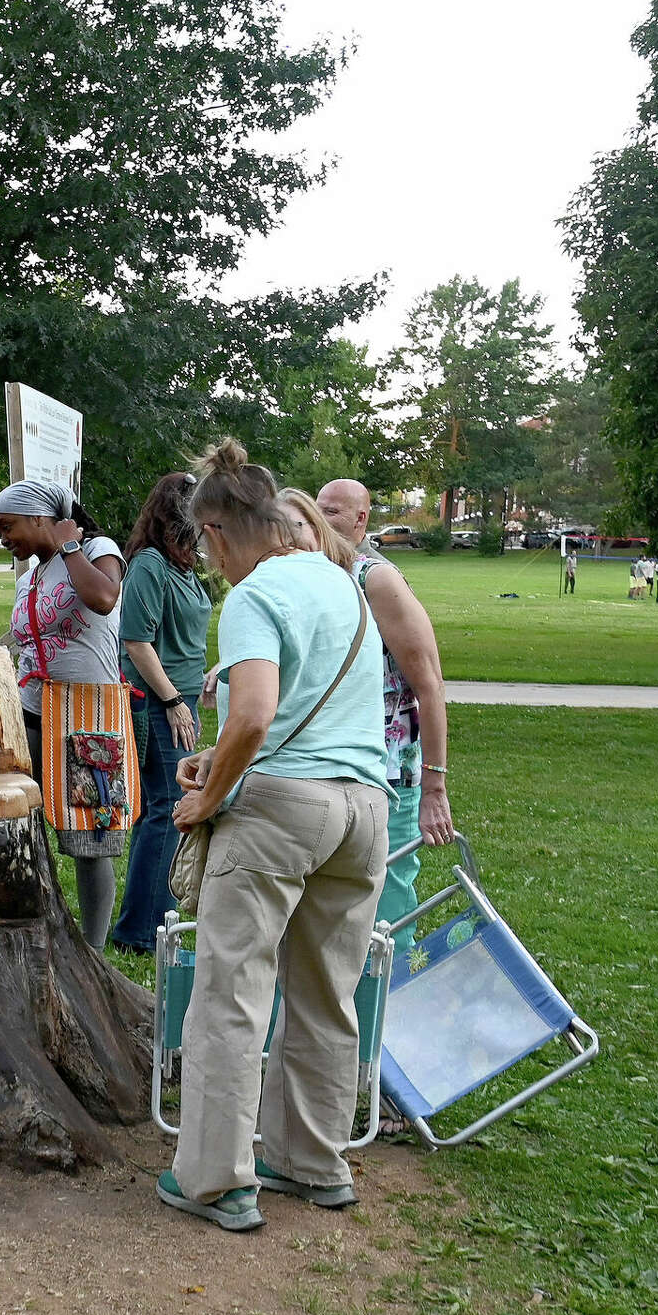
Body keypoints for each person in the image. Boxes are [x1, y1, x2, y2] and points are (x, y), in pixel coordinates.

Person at [156, 440, 390, 1234]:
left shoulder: (254, 596)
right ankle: (314, 1163)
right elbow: (291, 716)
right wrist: (214, 764)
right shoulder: (342, 581)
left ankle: (216, 1181)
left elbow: (253, 715)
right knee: (328, 995)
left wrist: (205, 798)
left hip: (282, 809)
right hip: (364, 810)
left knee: (231, 993)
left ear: (216, 533)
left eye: (204, 548)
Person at [317, 480, 456, 954]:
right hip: (330, 768)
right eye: (317, 510)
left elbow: (430, 684)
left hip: (389, 772)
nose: (322, 518)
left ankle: (383, 1014)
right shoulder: (317, 574)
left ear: (361, 520)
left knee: (386, 913)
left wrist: (434, 786)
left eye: (334, 511)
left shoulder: (375, 578)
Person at [0, 479, 128, 950]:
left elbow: (103, 599)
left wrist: (70, 546)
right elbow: (28, 639)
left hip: (86, 716)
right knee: (23, 827)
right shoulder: (30, 575)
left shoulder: (95, 549)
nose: (5, 539)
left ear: (39, 518)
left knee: (88, 837)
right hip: (31, 714)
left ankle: (92, 951)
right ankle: (40, 929)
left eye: (9, 527)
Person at [108, 472, 210, 955]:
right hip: (158, 705)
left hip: (182, 703)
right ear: (170, 524)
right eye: (191, 530)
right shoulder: (150, 564)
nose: (198, 542)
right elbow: (136, 641)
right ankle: (140, 932)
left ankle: (154, 923)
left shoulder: (184, 569)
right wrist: (172, 701)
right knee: (166, 812)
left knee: (171, 810)